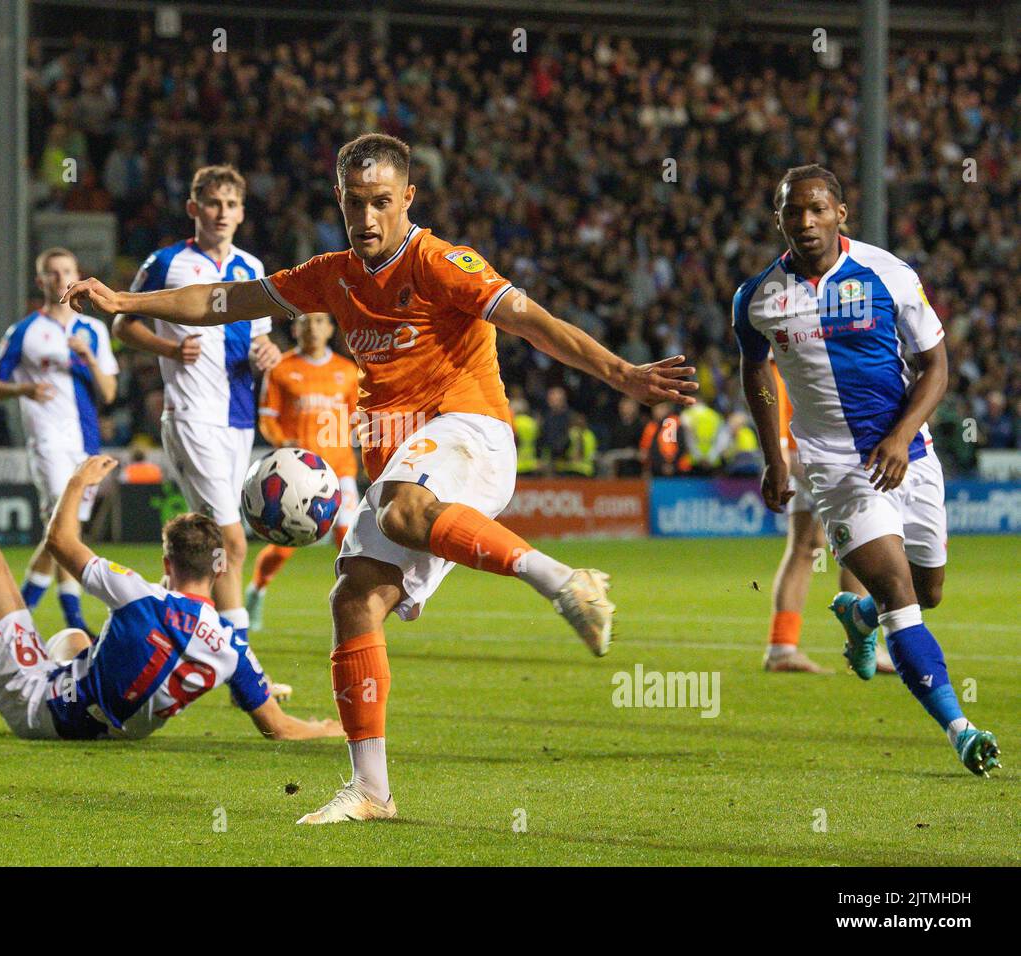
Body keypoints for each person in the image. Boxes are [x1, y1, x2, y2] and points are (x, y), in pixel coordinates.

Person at [66, 133, 697, 823]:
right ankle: (371, 790)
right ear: (340, 199)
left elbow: (529, 321)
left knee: (399, 512)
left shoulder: (440, 263)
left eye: (382, 203)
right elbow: (223, 300)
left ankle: (565, 583)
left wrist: (620, 373)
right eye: (354, 204)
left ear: (408, 200)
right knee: (353, 597)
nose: (367, 219)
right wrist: (129, 304)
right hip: (403, 457)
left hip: (470, 432)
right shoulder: (332, 273)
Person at [734, 163, 999, 776]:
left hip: (908, 455)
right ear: (777, 220)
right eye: (792, 211)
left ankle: (859, 617)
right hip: (832, 468)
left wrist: (904, 437)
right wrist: (776, 459)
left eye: (817, 209)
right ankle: (960, 730)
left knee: (928, 590)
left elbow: (936, 364)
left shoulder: (890, 274)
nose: (805, 222)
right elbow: (755, 371)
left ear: (840, 214)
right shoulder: (757, 298)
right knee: (901, 598)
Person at [0, 456, 340, 743]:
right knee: (71, 639)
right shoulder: (233, 651)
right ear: (220, 567)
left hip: (43, 712)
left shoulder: (138, 596)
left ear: (167, 564)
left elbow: (60, 543)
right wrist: (329, 727)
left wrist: (76, 483)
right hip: (118, 732)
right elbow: (279, 729)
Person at [115, 164, 281, 653]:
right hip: (191, 416)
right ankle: (241, 665)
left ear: (242, 212)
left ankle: (153, 639)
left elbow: (260, 338)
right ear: (193, 209)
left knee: (207, 548)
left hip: (239, 419)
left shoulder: (252, 269)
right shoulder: (167, 262)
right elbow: (123, 325)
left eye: (231, 205)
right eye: (212, 203)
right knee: (233, 544)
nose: (222, 212)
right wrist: (167, 350)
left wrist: (267, 353)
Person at [0, 247, 117, 636]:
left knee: (61, 535)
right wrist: (23, 387)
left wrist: (89, 358)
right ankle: (71, 618)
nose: (60, 279)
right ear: (40, 281)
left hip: (85, 443)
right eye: (52, 273)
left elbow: (108, 392)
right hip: (47, 441)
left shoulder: (94, 331)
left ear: (77, 276)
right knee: (65, 528)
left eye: (67, 271)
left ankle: (18, 613)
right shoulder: (24, 331)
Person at [761, 362, 895, 675]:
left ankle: (782, 647)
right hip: (822, 443)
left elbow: (767, 380)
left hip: (797, 445)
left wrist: (780, 447)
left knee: (806, 546)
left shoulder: (780, 323)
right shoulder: (815, 321)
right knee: (864, 539)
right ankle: (865, 643)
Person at [245, 312, 360, 631]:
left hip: (339, 469)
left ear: (331, 329)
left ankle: (355, 605)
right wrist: (284, 441)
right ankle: (257, 589)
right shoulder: (280, 367)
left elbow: (356, 420)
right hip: (299, 473)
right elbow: (267, 418)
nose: (313, 327)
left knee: (349, 539)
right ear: (295, 328)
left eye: (321, 321)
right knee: (284, 545)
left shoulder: (348, 371)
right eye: (306, 321)